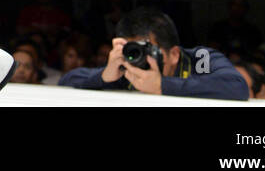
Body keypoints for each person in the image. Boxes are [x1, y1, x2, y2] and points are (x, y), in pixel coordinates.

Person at [59, 8, 248, 101]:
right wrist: (103, 76)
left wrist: (161, 85)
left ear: (174, 54)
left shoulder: (199, 59)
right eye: (134, 51)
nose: (143, 60)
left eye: (149, 50)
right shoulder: (129, 70)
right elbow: (67, 81)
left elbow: (235, 87)